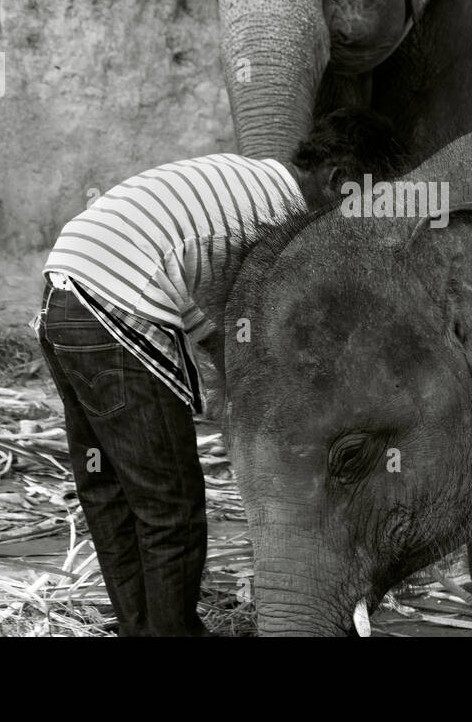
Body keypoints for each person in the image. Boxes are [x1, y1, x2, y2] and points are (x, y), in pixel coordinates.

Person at [34, 107, 400, 636]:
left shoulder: (249, 182)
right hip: (112, 303)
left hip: (62, 294)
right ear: (339, 181)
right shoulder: (282, 219)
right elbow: (260, 344)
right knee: (172, 506)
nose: (358, 225)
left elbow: (214, 320)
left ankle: (143, 630)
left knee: (108, 486)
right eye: (364, 203)